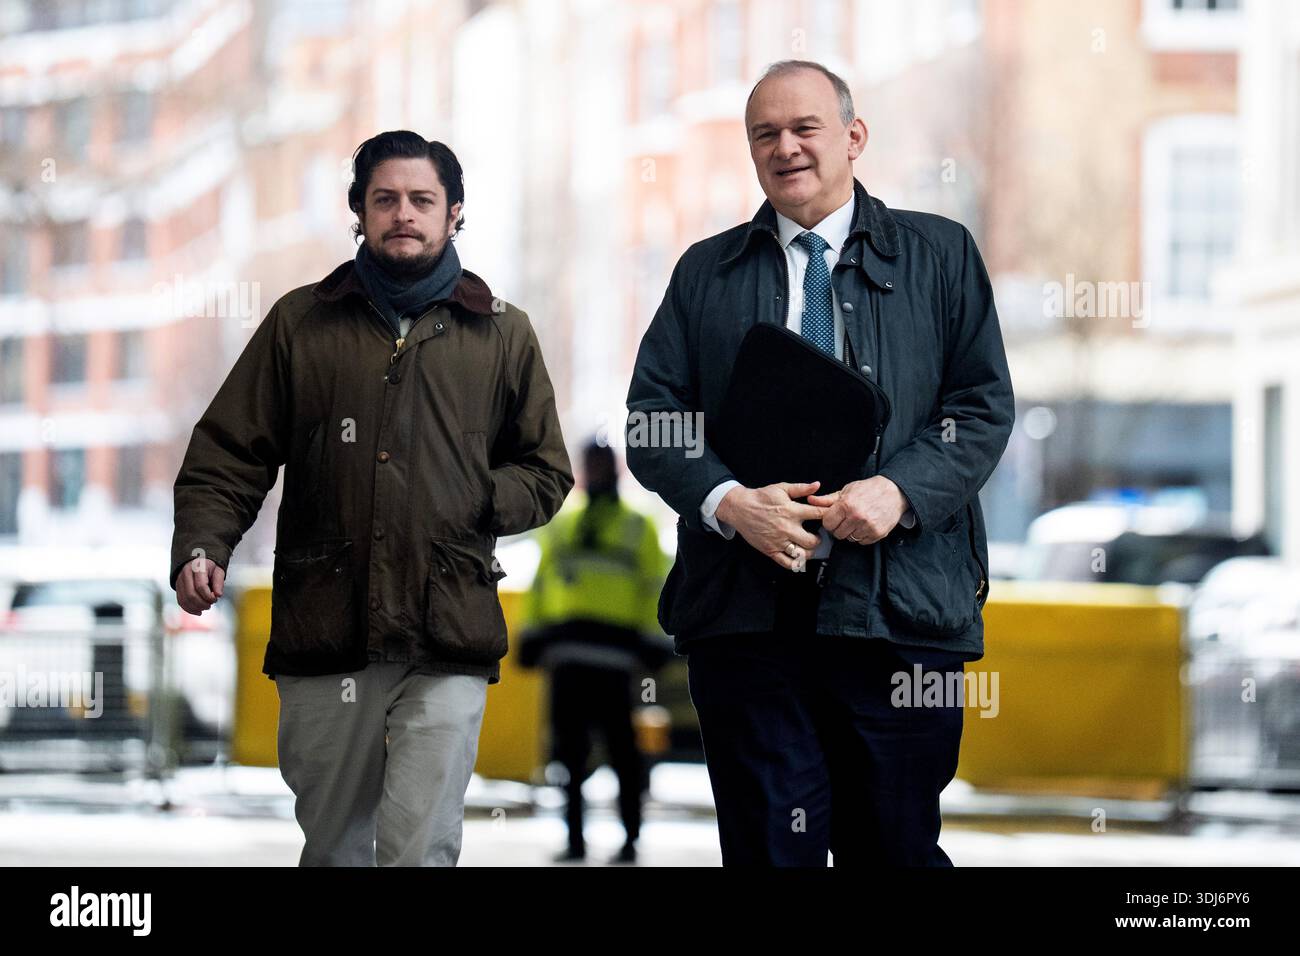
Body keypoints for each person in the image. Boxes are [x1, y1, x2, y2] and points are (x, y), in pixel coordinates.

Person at [625, 61, 1015, 866]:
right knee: (771, 852)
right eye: (765, 134)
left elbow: (979, 408)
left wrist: (901, 489)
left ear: (853, 137)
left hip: (902, 621)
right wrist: (729, 500)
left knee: (896, 849)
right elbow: (652, 422)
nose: (786, 147)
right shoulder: (706, 272)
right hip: (748, 623)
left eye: (805, 128)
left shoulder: (940, 256)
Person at [170, 130, 573, 866]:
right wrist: (203, 544)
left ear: (455, 213)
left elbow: (546, 470)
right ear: (358, 211)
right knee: (335, 849)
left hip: (447, 625)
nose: (403, 214)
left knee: (421, 848)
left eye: (422, 199)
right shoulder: (301, 322)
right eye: (384, 199)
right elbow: (229, 451)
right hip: (327, 625)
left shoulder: (502, 332)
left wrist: (477, 496)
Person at [519, 439, 669, 865]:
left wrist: (654, 641)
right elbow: (541, 582)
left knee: (624, 754)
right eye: (591, 463)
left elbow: (654, 585)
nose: (597, 471)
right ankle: (576, 841)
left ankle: (630, 840)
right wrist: (531, 636)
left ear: (616, 467)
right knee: (569, 755)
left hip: (618, 659)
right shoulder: (563, 525)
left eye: (602, 463)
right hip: (569, 655)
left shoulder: (640, 525)